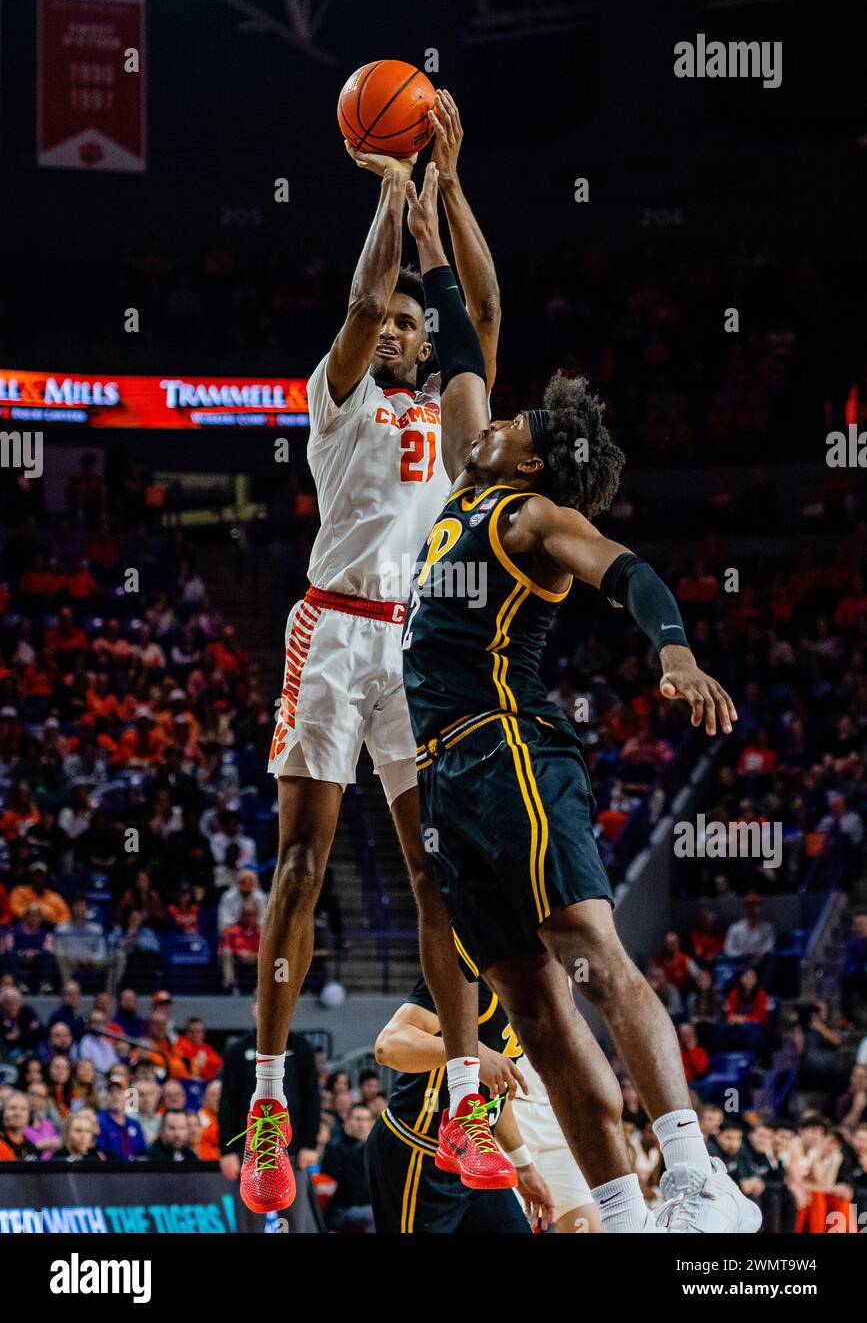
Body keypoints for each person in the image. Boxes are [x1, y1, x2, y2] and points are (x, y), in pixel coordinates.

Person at [398, 163, 760, 1234]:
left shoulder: (533, 520)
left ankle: (698, 1176)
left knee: (595, 957)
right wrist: (442, 216)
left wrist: (675, 652)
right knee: (538, 1011)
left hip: (511, 751)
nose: (496, 412)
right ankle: (625, 1213)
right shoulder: (475, 477)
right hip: (453, 772)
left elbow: (632, 570)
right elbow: (465, 339)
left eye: (516, 419)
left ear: (539, 455)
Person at [242, 91, 511, 1212]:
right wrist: (392, 191)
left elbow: (485, 312)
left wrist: (446, 189)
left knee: (434, 874)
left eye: (412, 321)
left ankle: (467, 1094)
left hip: (420, 647)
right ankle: (264, 1103)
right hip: (334, 629)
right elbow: (361, 293)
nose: (399, 327)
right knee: (303, 865)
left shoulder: (454, 418)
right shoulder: (338, 399)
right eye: (389, 323)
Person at [369, 967, 551, 1234]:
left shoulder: (526, 995)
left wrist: (523, 1166)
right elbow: (388, 1045)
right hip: (418, 1154)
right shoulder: (471, 979)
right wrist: (470, 1052)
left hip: (476, 1159)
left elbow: (496, 1096)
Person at [220, 996, 320, 1208]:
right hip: (247, 1148)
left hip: (292, 1148)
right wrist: (226, 1150)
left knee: (293, 1217)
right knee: (249, 1216)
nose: (272, 1012)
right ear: (254, 1009)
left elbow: (313, 1098)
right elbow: (227, 1101)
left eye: (278, 1006)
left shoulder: (302, 1048)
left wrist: (310, 1144)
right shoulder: (238, 1049)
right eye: (265, 1006)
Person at [320, 1102, 376, 1233]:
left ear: (372, 1123)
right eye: (357, 1119)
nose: (362, 1124)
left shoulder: (374, 1151)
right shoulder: (335, 1150)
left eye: (366, 1120)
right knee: (377, 1216)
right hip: (341, 1211)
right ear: (348, 1120)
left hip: (365, 1209)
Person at [97, 1075, 147, 1160]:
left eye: (119, 1092)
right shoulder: (98, 1122)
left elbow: (142, 1152)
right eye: (111, 1092)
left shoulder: (135, 1124)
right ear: (106, 1096)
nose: (115, 1096)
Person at [0, 1089, 33, 1160]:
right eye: (12, 1108)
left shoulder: (31, 1147)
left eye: (23, 1109)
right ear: (2, 1112)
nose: (18, 1113)